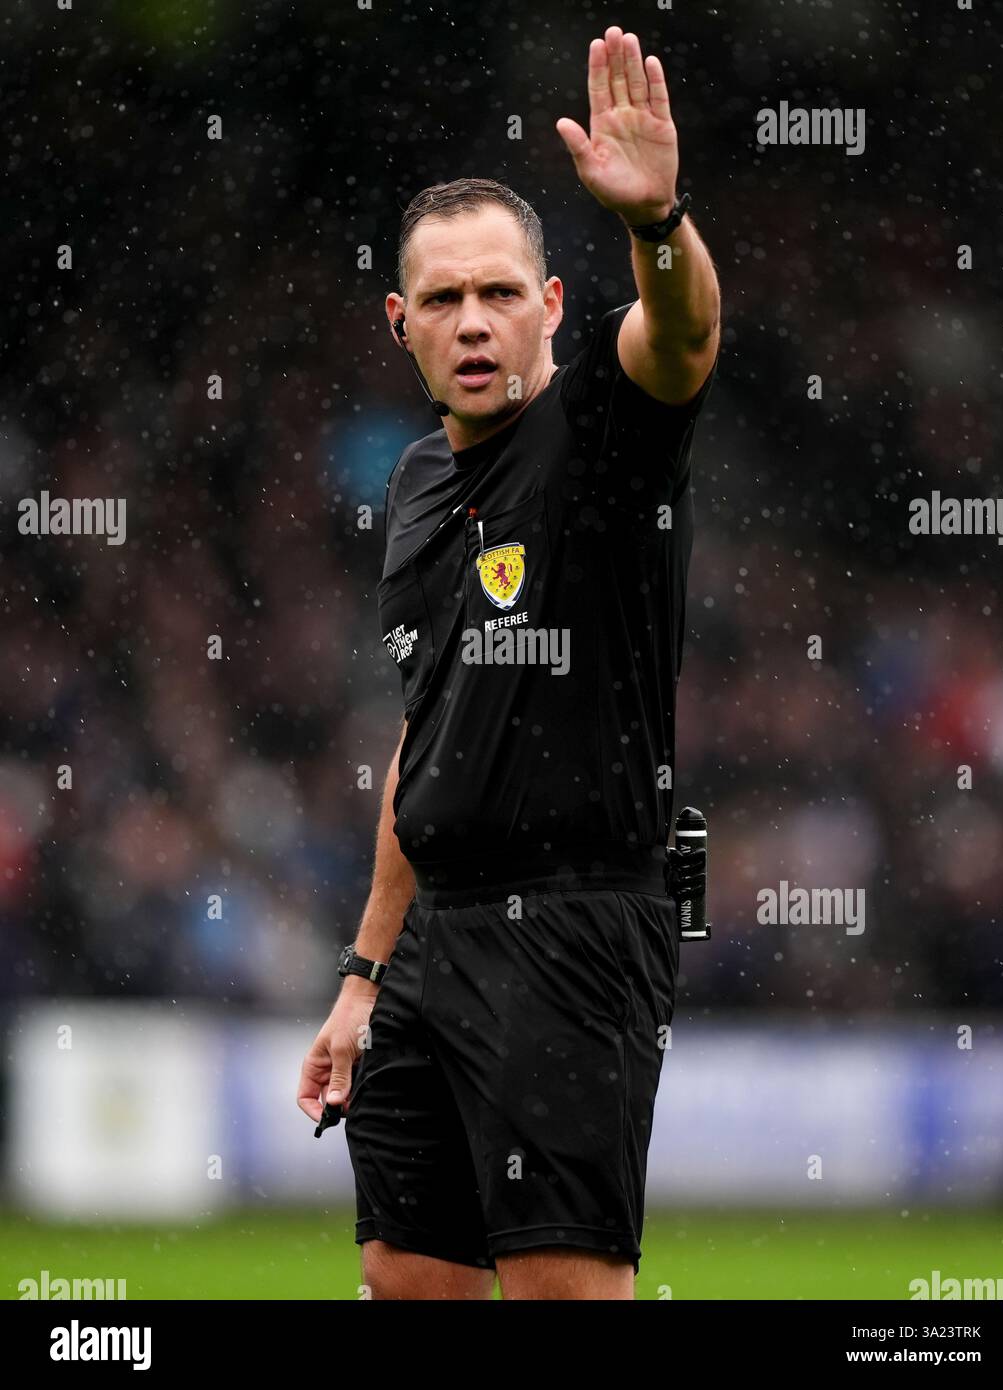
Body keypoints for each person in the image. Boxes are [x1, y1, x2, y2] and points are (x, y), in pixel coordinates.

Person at [297, 24, 720, 1300]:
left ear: (547, 307)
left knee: (561, 1293)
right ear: (400, 324)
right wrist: (364, 975)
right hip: (430, 939)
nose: (472, 322)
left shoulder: (600, 432)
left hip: (572, 922)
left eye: (498, 294)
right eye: (442, 299)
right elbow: (425, 737)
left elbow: (683, 336)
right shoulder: (417, 483)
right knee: (403, 1277)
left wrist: (658, 224)